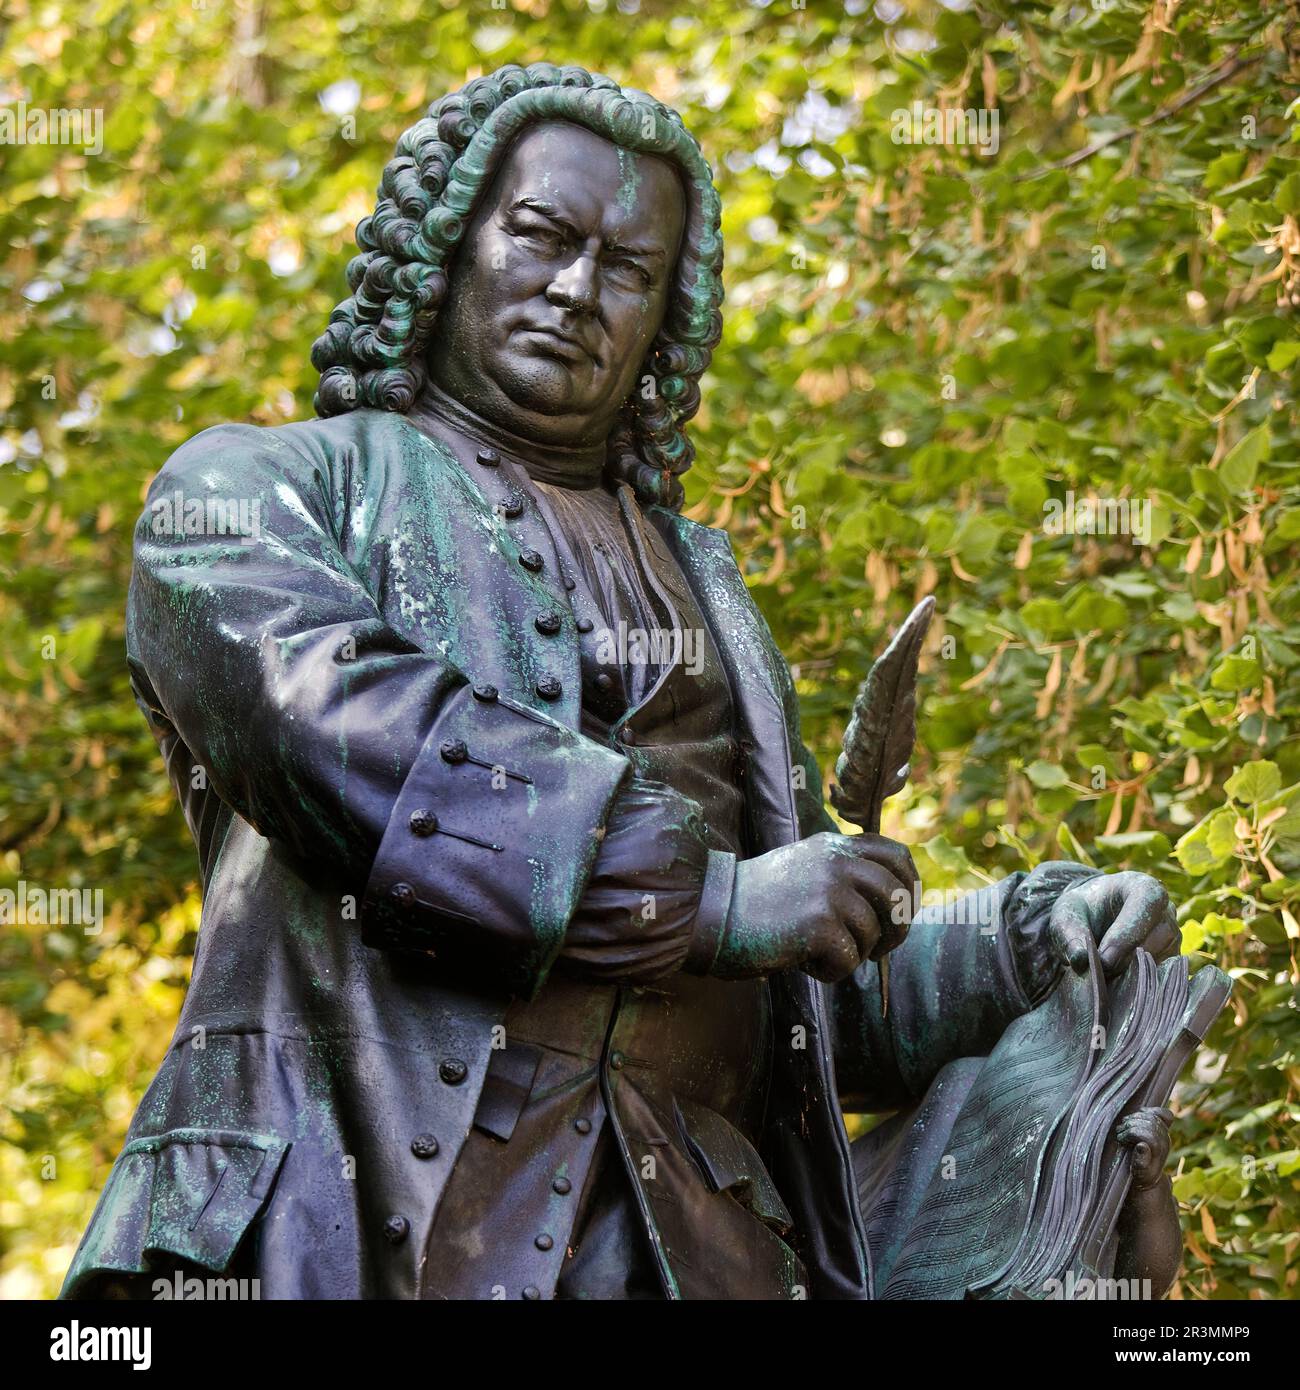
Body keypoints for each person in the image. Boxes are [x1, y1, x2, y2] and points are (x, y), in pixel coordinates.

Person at [62, 63, 1181, 1301]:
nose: (578, 290)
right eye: (540, 235)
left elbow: (806, 984)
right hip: (337, 1217)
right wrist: (705, 904)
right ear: (446, 245)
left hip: (689, 1253)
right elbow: (330, 729)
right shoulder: (254, 490)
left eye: (630, 269)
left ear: (665, 318)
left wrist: (1022, 941)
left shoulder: (711, 594)